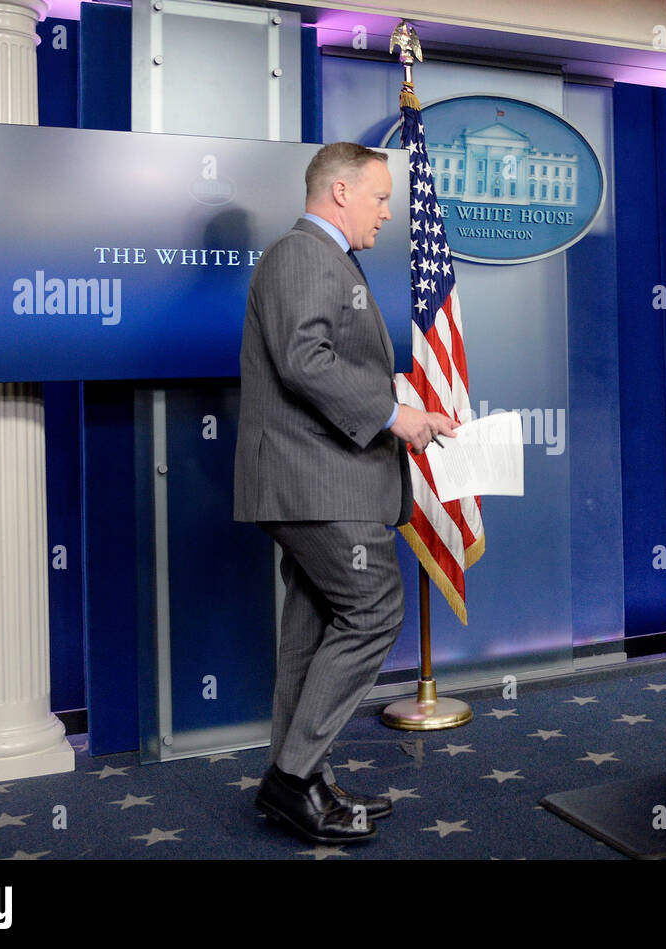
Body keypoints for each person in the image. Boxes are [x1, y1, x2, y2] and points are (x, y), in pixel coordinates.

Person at [233, 142, 455, 845]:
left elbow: (326, 362)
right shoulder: (302, 255)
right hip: (320, 480)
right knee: (372, 609)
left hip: (319, 477)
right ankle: (292, 779)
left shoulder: (327, 260)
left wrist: (403, 403)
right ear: (337, 192)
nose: (388, 212)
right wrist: (395, 416)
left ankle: (301, 773)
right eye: (380, 197)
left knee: (310, 622)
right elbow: (305, 360)